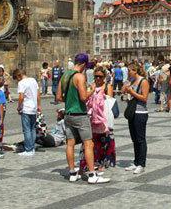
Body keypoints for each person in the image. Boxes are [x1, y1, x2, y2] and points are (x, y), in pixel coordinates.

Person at [57, 53, 110, 184]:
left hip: (68, 114)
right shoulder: (79, 77)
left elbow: (58, 97)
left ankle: (72, 173)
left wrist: (69, 101)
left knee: (70, 143)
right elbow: (83, 97)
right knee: (88, 144)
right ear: (84, 64)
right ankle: (92, 175)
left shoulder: (65, 75)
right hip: (80, 115)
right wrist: (92, 90)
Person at [123, 62, 149, 174]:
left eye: (129, 70)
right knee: (134, 139)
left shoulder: (144, 81)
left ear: (135, 71)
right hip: (132, 112)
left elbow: (144, 98)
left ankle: (141, 164)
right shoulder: (131, 81)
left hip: (140, 113)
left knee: (140, 139)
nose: (128, 72)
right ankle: (136, 161)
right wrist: (126, 87)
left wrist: (132, 92)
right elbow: (123, 92)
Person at [91, 66, 116, 169]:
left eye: (100, 77)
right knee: (95, 140)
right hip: (94, 117)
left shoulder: (108, 86)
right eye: (96, 76)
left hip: (105, 117)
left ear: (104, 77)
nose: (98, 79)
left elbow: (109, 101)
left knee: (106, 140)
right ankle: (96, 161)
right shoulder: (91, 86)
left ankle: (106, 161)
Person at [13, 68, 41, 157]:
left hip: (26, 108)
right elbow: (38, 94)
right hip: (34, 108)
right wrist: (39, 105)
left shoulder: (22, 83)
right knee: (32, 129)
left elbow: (21, 97)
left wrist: (19, 107)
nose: (17, 80)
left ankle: (28, 149)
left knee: (27, 130)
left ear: (19, 76)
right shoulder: (33, 80)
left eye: (17, 78)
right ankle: (32, 148)